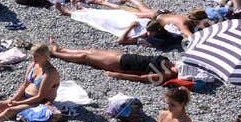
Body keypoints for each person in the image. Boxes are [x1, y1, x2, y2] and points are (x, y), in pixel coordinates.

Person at [46, 41, 177, 85]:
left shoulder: (166, 75)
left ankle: (55, 53)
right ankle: (61, 49)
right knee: (92, 51)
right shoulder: (173, 64)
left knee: (85, 57)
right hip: (126, 56)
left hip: (121, 65)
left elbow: (142, 78)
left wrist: (118, 76)